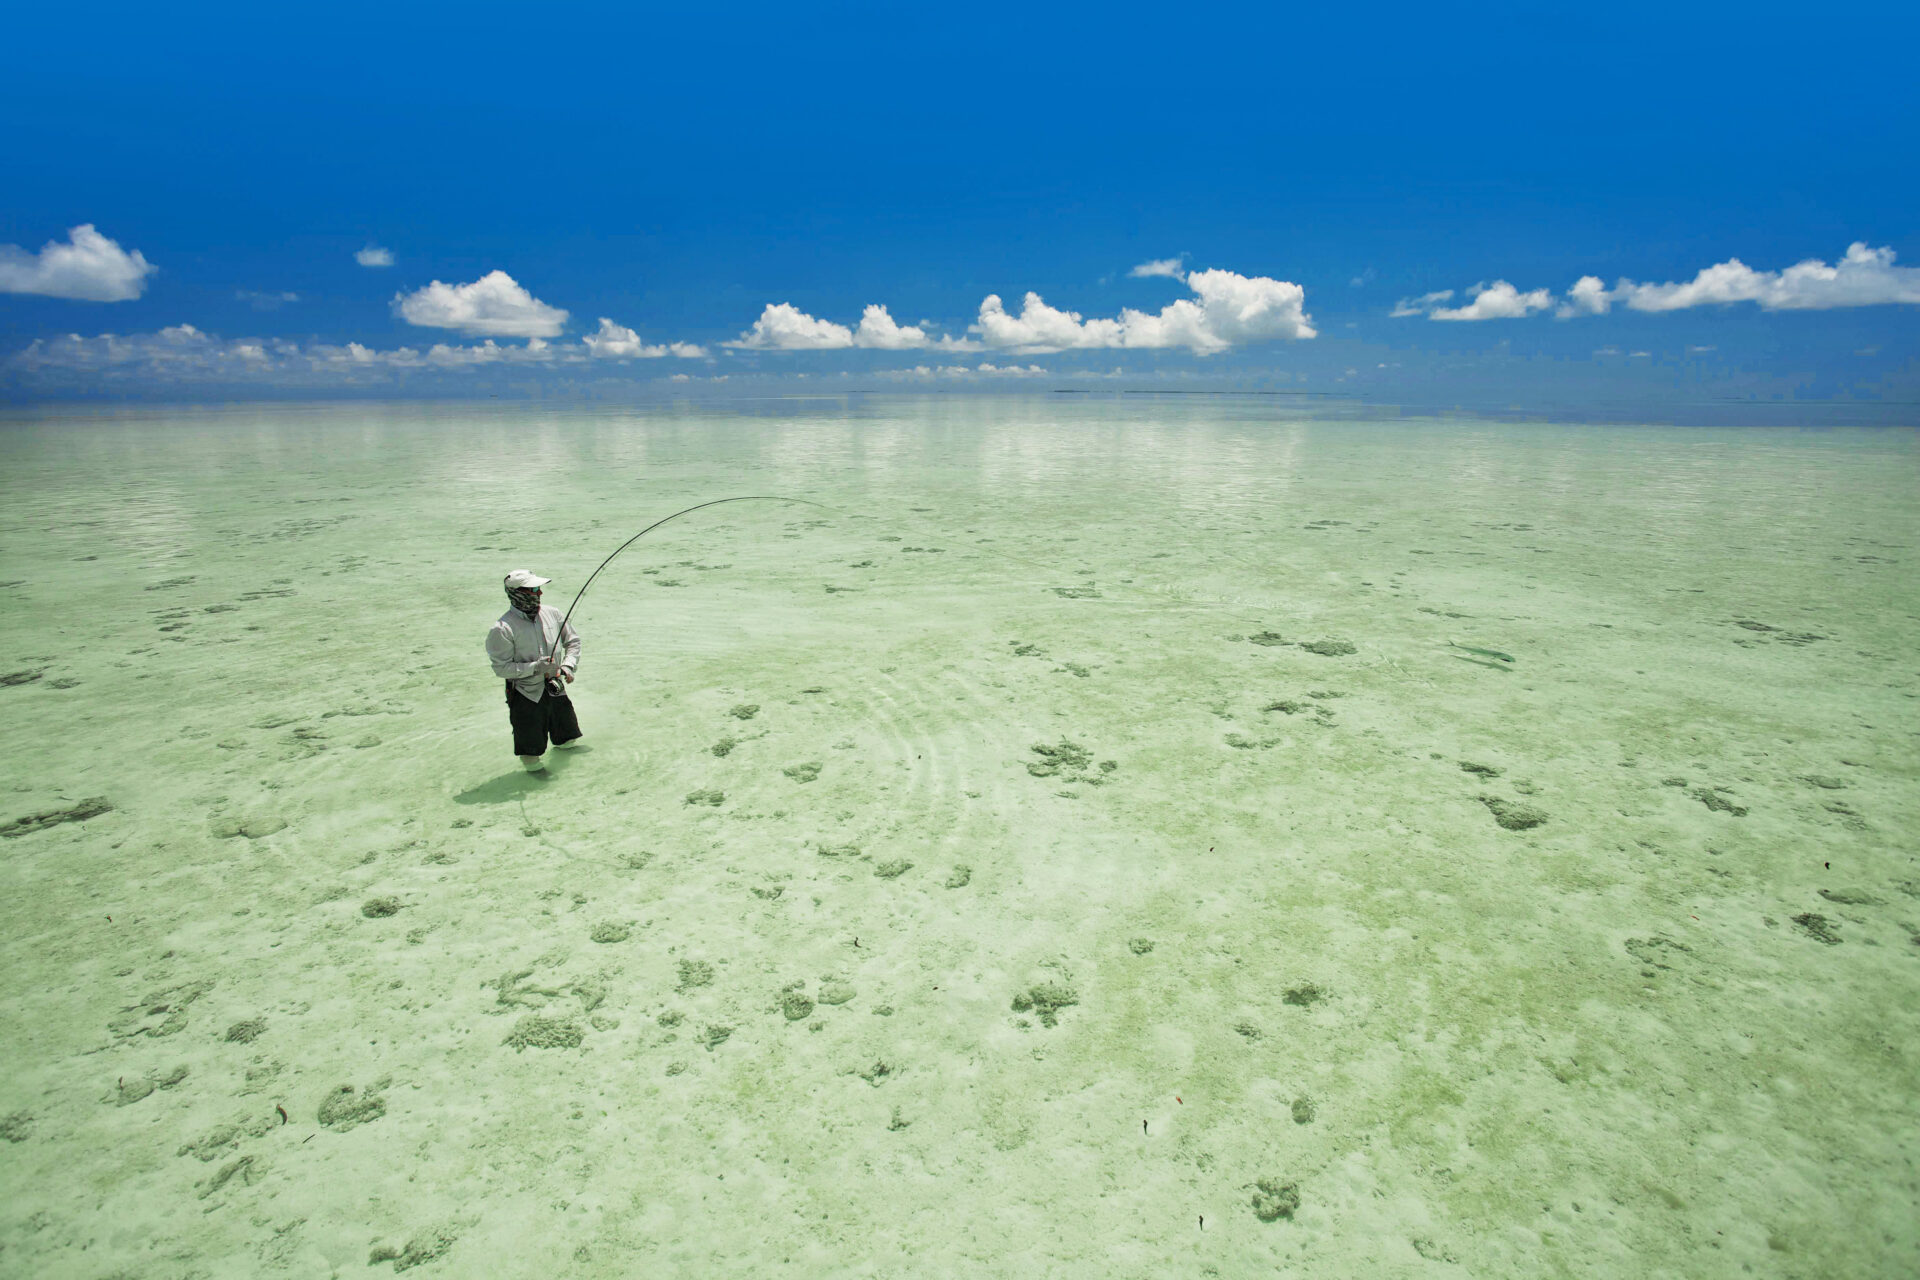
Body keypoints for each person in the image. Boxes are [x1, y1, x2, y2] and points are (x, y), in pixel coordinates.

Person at [485, 570, 582, 772]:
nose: (540, 593)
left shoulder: (553, 613)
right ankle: (535, 775)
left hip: (555, 687)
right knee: (530, 751)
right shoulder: (501, 629)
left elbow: (573, 642)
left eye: (539, 588)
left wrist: (568, 666)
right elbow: (501, 668)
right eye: (534, 589)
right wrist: (535, 667)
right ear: (517, 593)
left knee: (568, 739)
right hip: (525, 694)